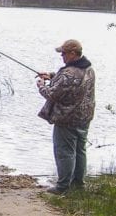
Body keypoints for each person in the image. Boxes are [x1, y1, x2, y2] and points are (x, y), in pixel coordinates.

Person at [36, 39, 95, 194]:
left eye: (64, 53)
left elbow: (50, 94)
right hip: (84, 118)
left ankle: (62, 187)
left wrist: (41, 84)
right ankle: (78, 184)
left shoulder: (69, 73)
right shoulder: (88, 68)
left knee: (65, 152)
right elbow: (69, 80)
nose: (62, 56)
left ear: (73, 53)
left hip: (67, 119)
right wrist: (51, 75)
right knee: (80, 151)